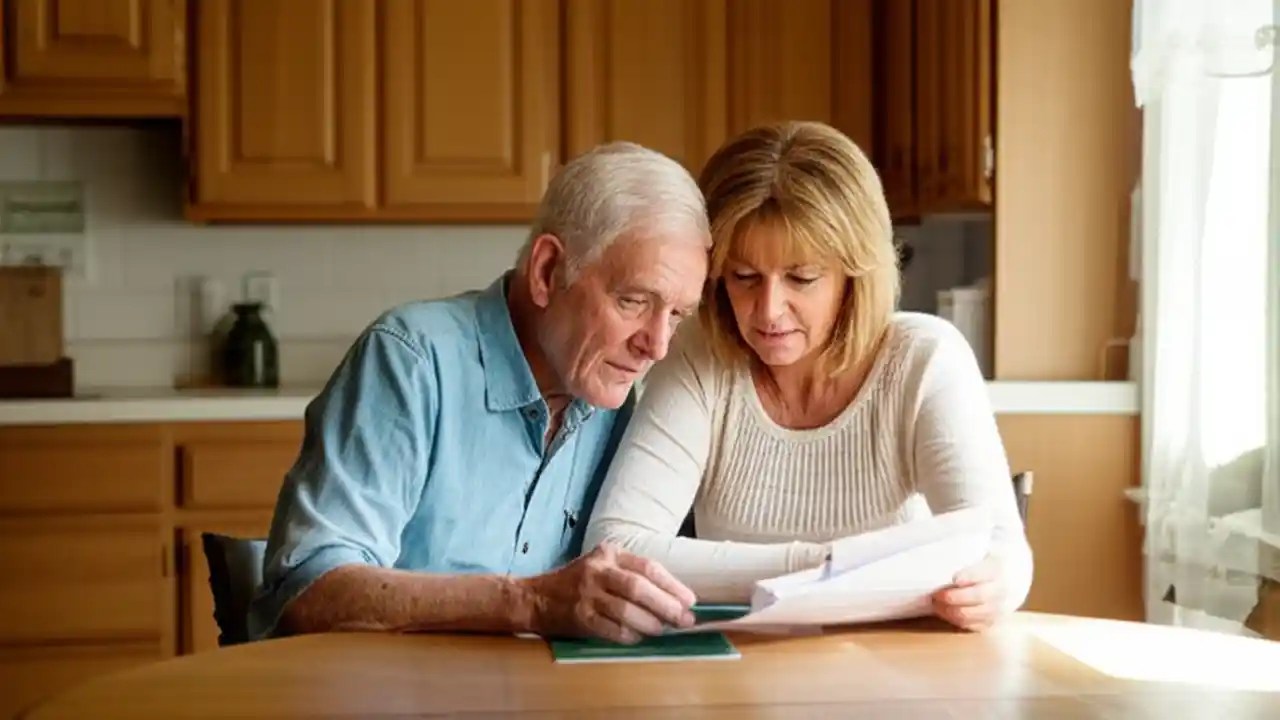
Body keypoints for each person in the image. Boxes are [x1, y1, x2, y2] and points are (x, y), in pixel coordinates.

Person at [248, 141, 711, 645]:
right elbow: (309, 593)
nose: (657, 346)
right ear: (547, 271)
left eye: (678, 315)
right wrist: (530, 603)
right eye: (634, 301)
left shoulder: (610, 393)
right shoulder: (412, 361)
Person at [583, 121, 1033, 632]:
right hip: (738, 679)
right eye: (744, 277)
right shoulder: (699, 358)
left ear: (855, 276)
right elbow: (617, 547)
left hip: (897, 671)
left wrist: (1000, 581)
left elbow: (1002, 548)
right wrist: (831, 568)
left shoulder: (925, 359)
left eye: (802, 277)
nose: (769, 311)